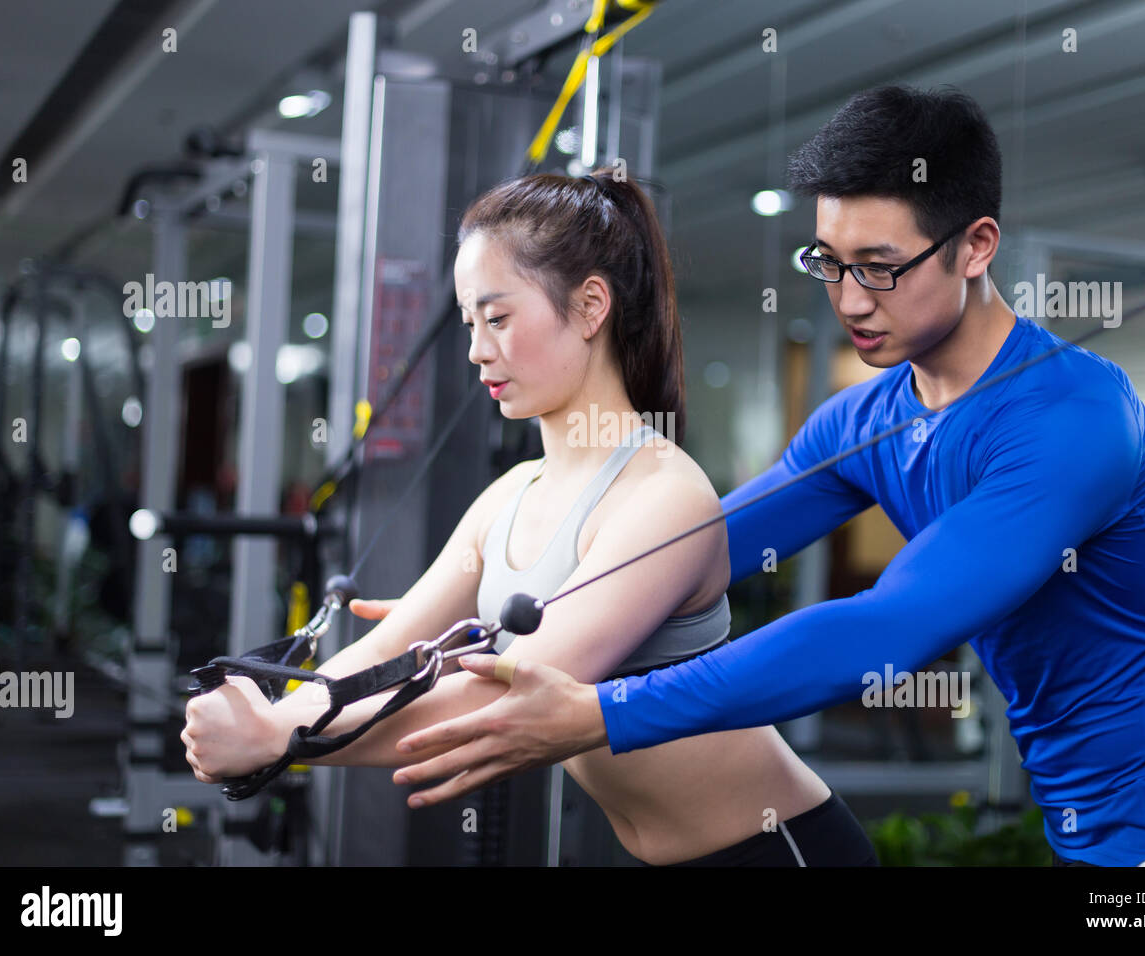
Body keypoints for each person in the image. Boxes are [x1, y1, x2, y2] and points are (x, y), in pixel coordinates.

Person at [390, 85, 1145, 868]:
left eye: (881, 267)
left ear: (976, 246)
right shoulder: (864, 420)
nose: (849, 298)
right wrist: (509, 594)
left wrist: (602, 713)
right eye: (828, 262)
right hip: (1075, 817)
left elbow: (882, 630)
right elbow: (687, 550)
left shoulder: (1073, 420)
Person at [182, 168, 878, 867]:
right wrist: (275, 715)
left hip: (779, 850)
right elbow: (380, 656)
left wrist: (279, 741)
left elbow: (501, 705)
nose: (478, 348)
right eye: (470, 322)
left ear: (589, 307)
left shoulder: (664, 496)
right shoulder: (510, 494)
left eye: (499, 316)